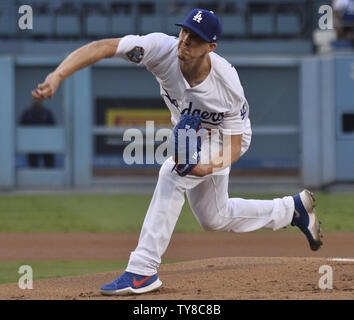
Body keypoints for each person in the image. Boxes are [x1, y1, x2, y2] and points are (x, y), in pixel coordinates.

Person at [32, 8, 323, 296]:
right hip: (190, 134)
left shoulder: (227, 85)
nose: (185, 40)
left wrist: (205, 167)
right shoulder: (161, 49)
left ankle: (142, 270)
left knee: (171, 173)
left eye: (194, 38)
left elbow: (235, 145)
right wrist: (58, 75)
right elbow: (104, 47)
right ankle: (292, 209)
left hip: (224, 138)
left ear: (210, 47)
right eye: (184, 31)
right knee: (214, 217)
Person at [19, 99, 56, 168]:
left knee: (49, 164)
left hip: (46, 143)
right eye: (34, 100)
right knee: (33, 164)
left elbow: (53, 127)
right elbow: (21, 127)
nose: (37, 102)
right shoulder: (27, 113)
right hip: (31, 143)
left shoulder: (47, 113)